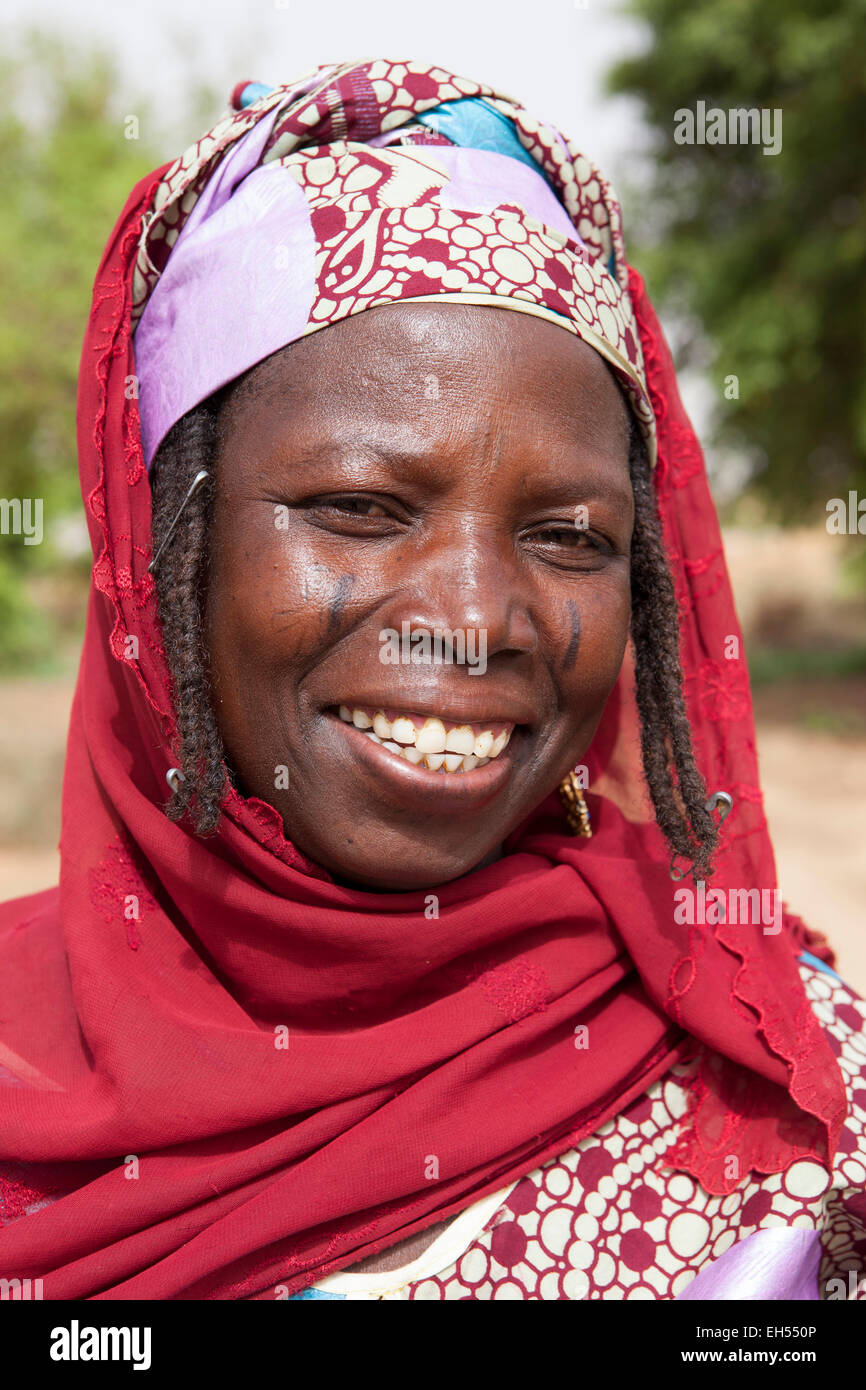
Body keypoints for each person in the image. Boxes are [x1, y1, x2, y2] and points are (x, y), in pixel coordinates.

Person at [0, 58, 863, 1302]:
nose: (474, 621)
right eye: (357, 508)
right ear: (163, 559)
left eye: (568, 536)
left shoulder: (787, 1118)